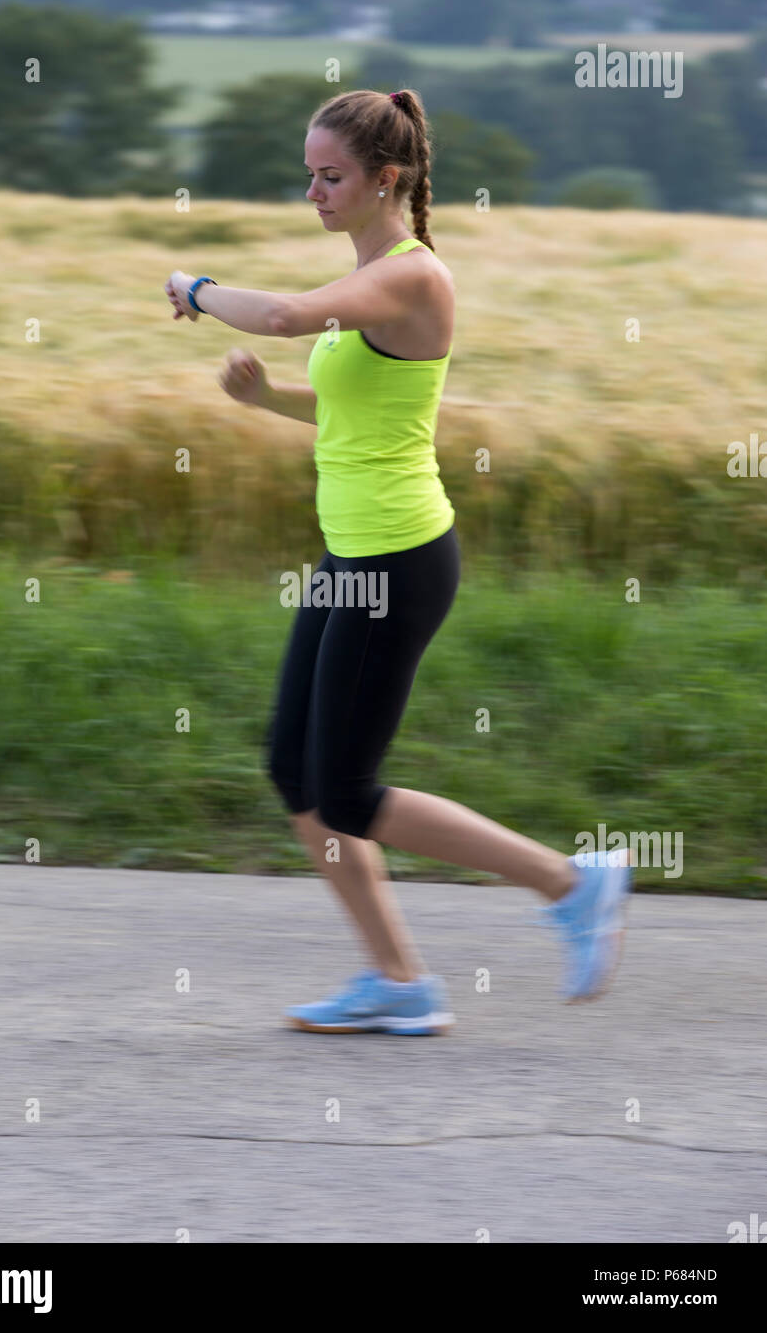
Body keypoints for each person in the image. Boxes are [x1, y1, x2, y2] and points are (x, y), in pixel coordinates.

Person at [163, 88, 631, 1037]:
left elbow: (287, 313)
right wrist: (267, 405)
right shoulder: (373, 276)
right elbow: (359, 410)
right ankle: (398, 980)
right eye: (308, 175)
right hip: (351, 557)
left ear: (389, 178)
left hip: (402, 560)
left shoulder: (413, 278)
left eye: (330, 176)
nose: (314, 193)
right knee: (295, 775)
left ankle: (573, 883)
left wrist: (197, 289)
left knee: (348, 790)